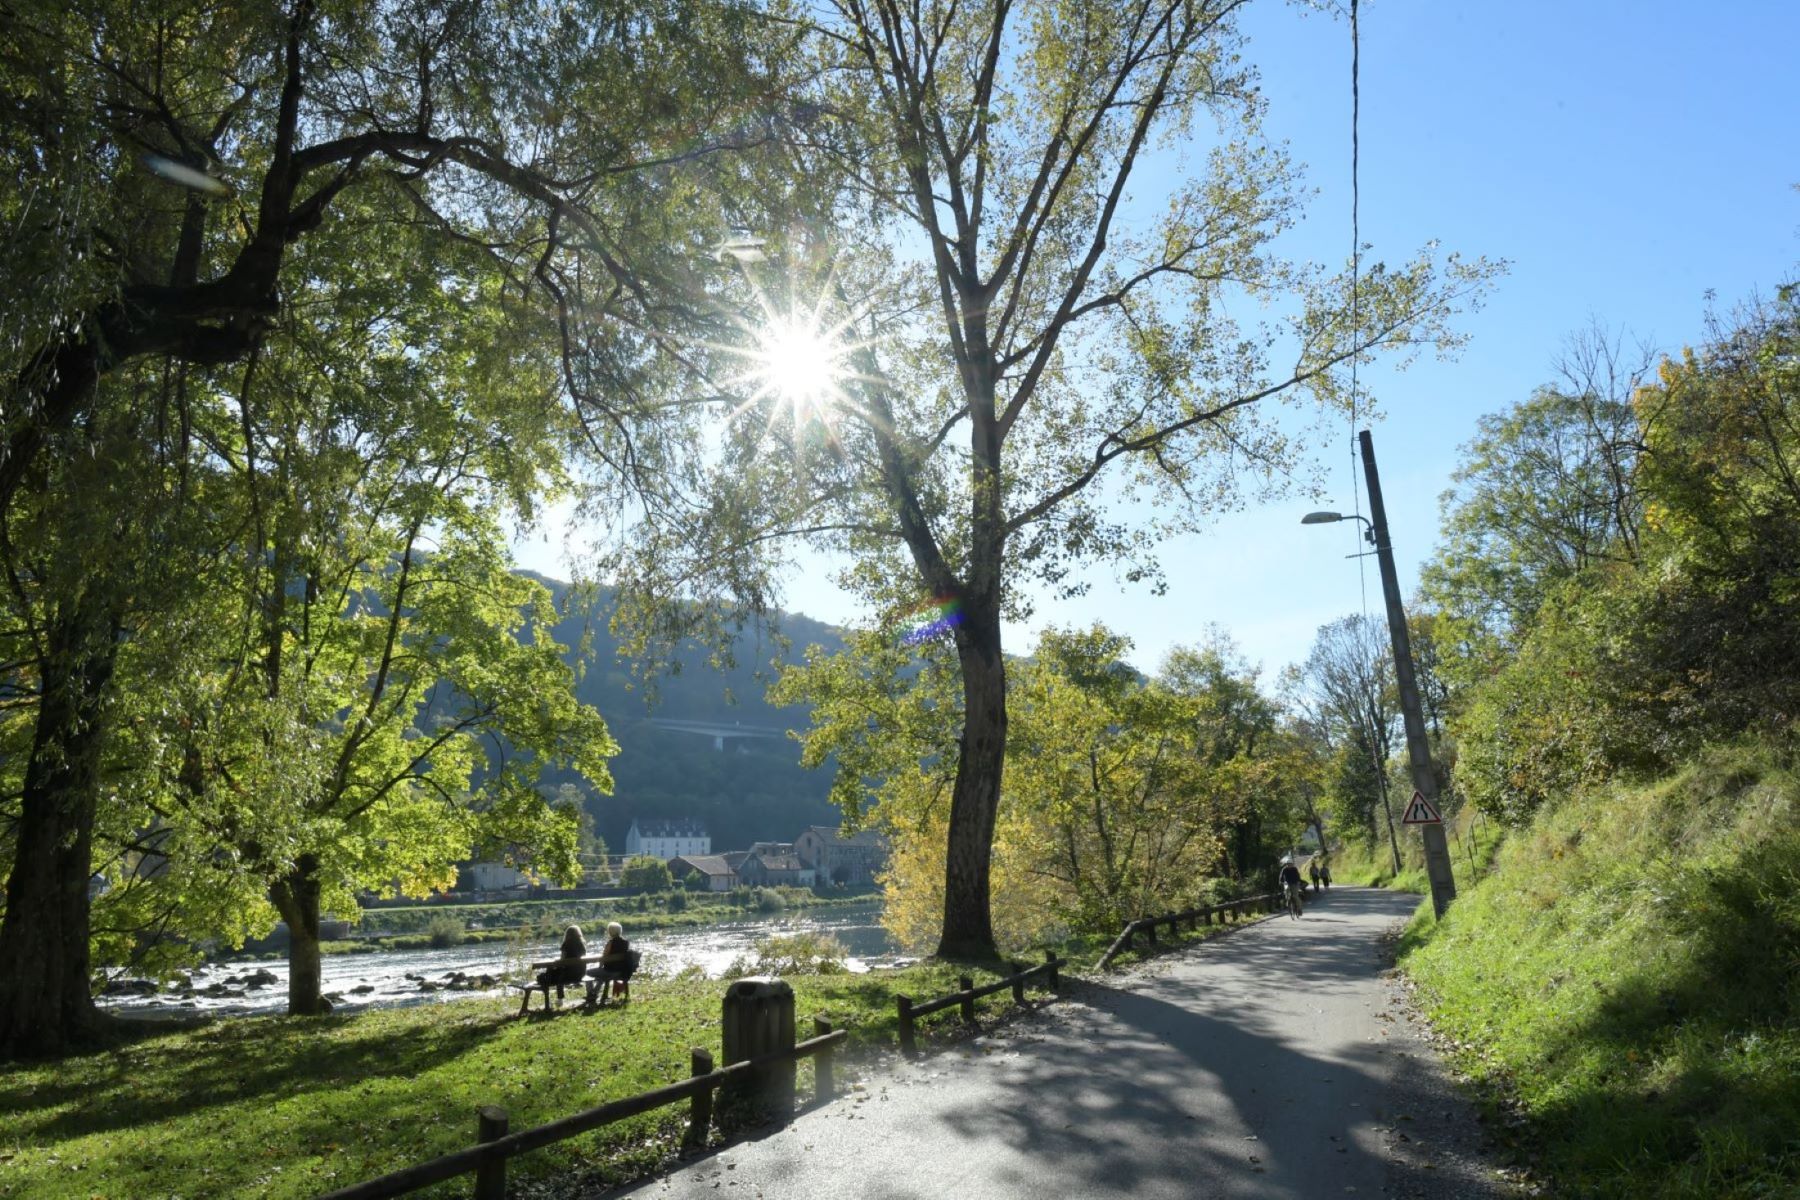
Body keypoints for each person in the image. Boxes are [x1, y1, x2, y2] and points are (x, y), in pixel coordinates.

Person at [537, 924, 587, 995]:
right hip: (580, 974)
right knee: (556, 974)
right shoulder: (582, 944)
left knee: (545, 976)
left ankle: (558, 997)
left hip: (567, 975)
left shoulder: (566, 944)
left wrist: (555, 965)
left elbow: (562, 961)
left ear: (567, 934)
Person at [599, 921, 633, 1001]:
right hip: (623, 969)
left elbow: (604, 957)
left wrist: (600, 966)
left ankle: (594, 994)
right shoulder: (626, 942)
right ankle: (626, 993)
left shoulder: (610, 943)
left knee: (592, 973)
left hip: (610, 970)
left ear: (610, 932)